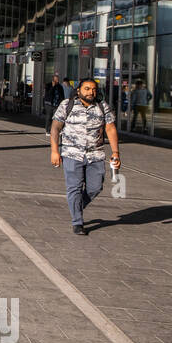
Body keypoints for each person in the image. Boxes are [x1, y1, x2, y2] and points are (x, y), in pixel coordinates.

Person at [50, 78, 121, 236]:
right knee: (74, 188)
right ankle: (77, 222)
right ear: (79, 90)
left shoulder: (102, 106)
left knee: (95, 187)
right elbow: (55, 127)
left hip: (96, 154)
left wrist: (115, 152)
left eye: (94, 89)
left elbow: (110, 129)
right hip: (71, 153)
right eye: (87, 89)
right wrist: (54, 151)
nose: (91, 92)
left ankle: (75, 206)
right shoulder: (67, 105)